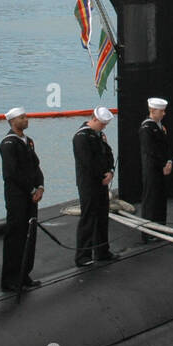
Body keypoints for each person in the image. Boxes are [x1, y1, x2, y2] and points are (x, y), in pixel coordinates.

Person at [0, 108, 44, 290]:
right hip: (17, 197)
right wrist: (32, 189)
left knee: (29, 235)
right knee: (16, 237)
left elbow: (36, 166)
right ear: (12, 121)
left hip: (31, 197)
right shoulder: (8, 143)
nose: (26, 120)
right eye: (22, 118)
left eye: (26, 117)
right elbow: (12, 173)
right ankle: (10, 279)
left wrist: (40, 186)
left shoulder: (28, 142)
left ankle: (24, 274)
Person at [73, 107, 117, 267]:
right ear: (95, 119)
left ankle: (102, 251)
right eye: (103, 124)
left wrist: (110, 171)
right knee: (88, 218)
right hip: (89, 183)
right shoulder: (81, 137)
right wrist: (101, 176)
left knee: (102, 217)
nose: (104, 127)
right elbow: (87, 162)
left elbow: (108, 153)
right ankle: (83, 255)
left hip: (102, 181)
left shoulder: (99, 135)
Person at [139, 97, 172, 241]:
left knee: (160, 199)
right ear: (152, 111)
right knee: (151, 199)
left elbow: (165, 147)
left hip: (161, 168)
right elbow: (151, 150)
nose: (164, 113)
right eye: (161, 111)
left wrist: (169, 161)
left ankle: (159, 228)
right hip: (152, 169)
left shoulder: (159, 126)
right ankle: (148, 232)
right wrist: (163, 165)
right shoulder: (146, 128)